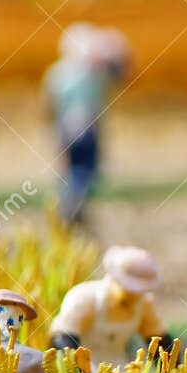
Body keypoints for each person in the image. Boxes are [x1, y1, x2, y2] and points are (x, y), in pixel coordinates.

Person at [44, 24, 129, 226]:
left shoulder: (57, 73)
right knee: (84, 170)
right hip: (87, 129)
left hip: (64, 128)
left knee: (72, 169)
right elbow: (120, 72)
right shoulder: (92, 74)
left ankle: (69, 207)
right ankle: (72, 208)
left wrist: (51, 129)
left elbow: (48, 105)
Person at [50, 246, 172, 369]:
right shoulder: (85, 298)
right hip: (85, 371)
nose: (135, 296)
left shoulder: (145, 304)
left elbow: (161, 342)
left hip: (119, 369)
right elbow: (63, 340)